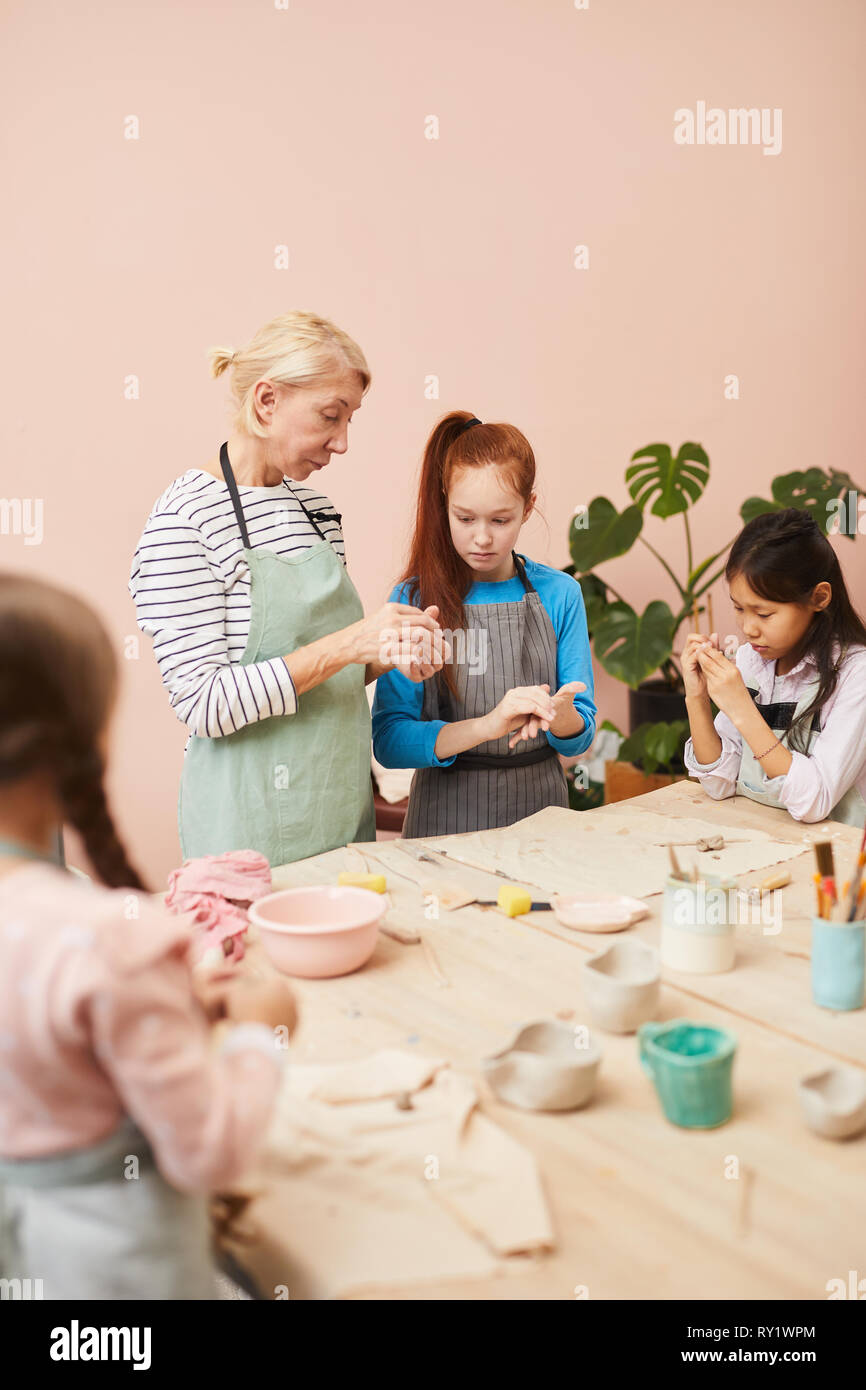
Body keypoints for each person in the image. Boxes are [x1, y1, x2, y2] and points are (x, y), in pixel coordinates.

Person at [0, 573, 296, 1298]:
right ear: (87, 742)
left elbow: (45, 1055)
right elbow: (210, 1153)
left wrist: (168, 997)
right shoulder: (108, 940)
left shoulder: (89, 945)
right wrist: (264, 1032)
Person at [129, 310, 446, 865]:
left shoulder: (317, 512)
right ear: (266, 401)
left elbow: (329, 672)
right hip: (245, 830)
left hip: (339, 808)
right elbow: (204, 704)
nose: (342, 442)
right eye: (330, 416)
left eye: (350, 420)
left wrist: (386, 651)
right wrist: (352, 643)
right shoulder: (185, 521)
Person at [372, 411, 596, 834]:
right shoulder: (412, 601)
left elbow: (581, 731)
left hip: (542, 817)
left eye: (500, 520)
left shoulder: (561, 594)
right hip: (443, 819)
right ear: (444, 503)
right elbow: (390, 741)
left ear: (528, 508)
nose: (482, 538)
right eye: (465, 518)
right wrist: (486, 726)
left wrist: (561, 716)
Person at [683, 508, 866, 825]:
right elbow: (720, 782)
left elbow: (815, 800)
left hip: (839, 861)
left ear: (819, 597)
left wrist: (741, 707)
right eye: (739, 608)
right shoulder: (750, 659)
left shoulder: (855, 673)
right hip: (765, 841)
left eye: (764, 614)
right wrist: (697, 699)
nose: (748, 628)